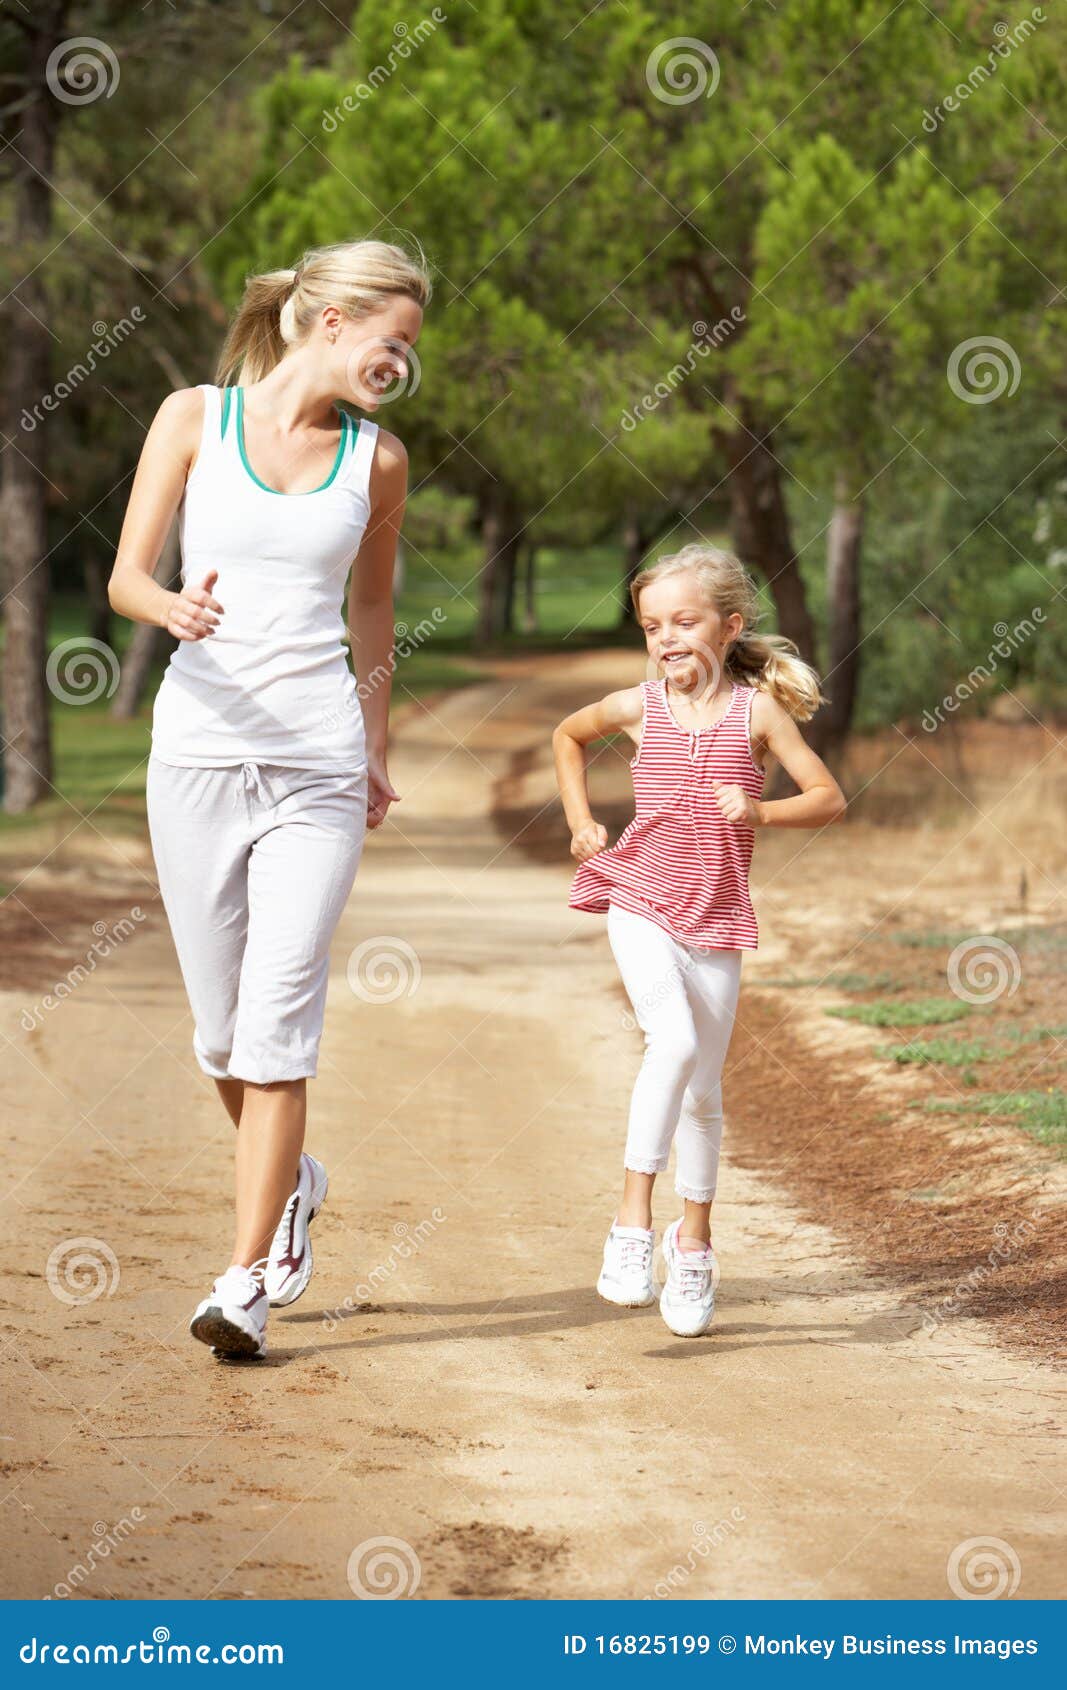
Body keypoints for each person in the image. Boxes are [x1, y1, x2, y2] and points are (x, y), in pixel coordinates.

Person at [108, 239, 431, 1359]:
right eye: (390, 340)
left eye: (410, 348)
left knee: (276, 1025)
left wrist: (375, 743)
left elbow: (376, 613)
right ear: (328, 321)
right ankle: (295, 1184)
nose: (399, 364)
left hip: (316, 766)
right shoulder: (193, 417)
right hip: (195, 753)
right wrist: (170, 613)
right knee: (218, 1035)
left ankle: (243, 1279)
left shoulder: (376, 462)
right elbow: (123, 575)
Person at [553, 543, 846, 1337]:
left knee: (704, 1095)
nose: (667, 639)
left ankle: (694, 1247)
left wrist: (760, 812)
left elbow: (826, 797)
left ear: (728, 626)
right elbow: (567, 737)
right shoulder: (636, 706)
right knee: (673, 1042)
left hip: (715, 919)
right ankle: (629, 1228)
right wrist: (582, 821)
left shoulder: (756, 713)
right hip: (638, 898)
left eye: (684, 622)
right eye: (653, 626)